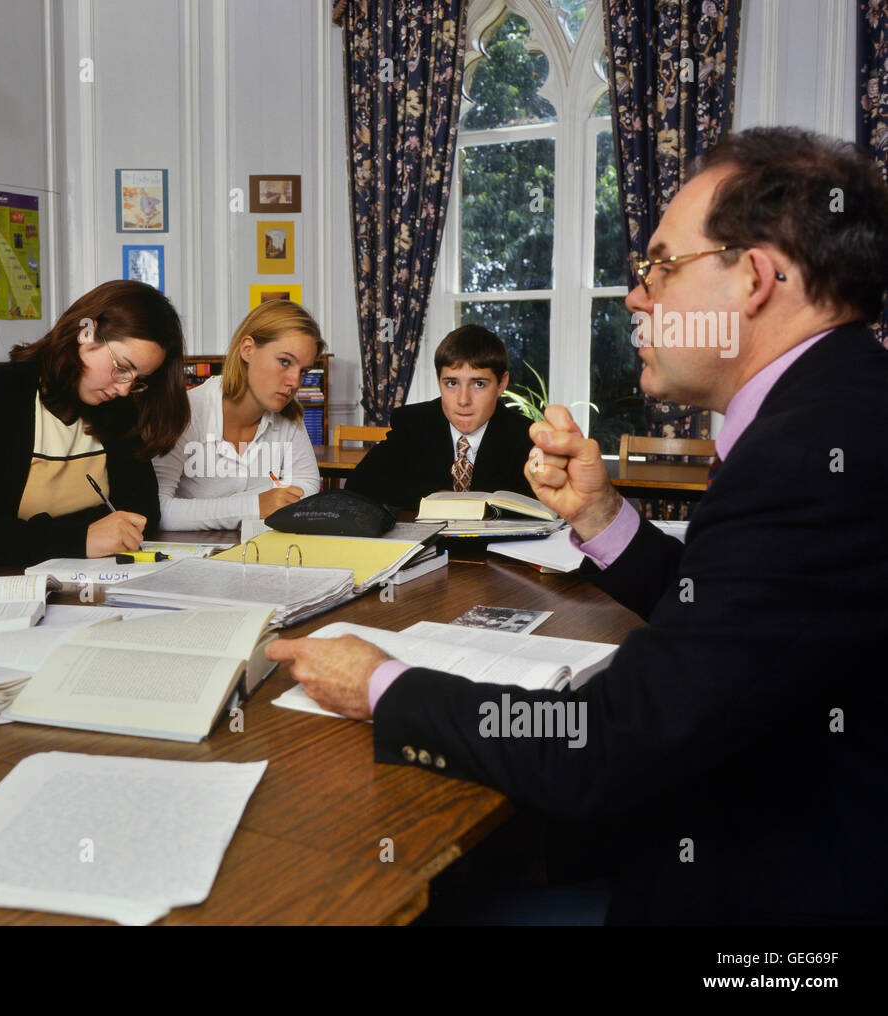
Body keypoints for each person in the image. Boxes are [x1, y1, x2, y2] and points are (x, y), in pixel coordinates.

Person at [268, 126, 888, 923]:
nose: (637, 296)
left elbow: (607, 743)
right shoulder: (837, 409)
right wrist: (602, 517)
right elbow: (733, 632)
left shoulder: (810, 452)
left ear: (755, 280)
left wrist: (381, 685)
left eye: (661, 267)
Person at [0, 279, 189, 569]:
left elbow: (142, 513)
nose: (123, 389)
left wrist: (38, 535)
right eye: (122, 368)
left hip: (94, 581)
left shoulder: (118, 410)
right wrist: (81, 537)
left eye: (137, 380)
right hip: (3, 588)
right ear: (86, 332)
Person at [154, 300, 323, 529]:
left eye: (303, 371)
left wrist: (213, 510)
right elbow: (159, 509)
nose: (294, 381)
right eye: (284, 361)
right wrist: (255, 506)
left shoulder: (290, 417)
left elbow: (307, 488)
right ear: (248, 350)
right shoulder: (185, 412)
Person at [345, 324, 534, 510]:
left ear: (501, 384)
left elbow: (538, 506)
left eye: (478, 384)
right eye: (452, 383)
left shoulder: (525, 436)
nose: (463, 400)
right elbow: (359, 484)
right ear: (439, 380)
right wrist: (440, 498)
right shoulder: (412, 423)